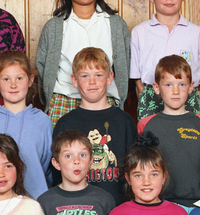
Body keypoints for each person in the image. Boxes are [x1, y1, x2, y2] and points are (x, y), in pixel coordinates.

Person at [36, 0, 131, 125]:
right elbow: (44, 69)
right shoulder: (55, 27)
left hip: (106, 102)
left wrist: (119, 100)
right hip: (64, 102)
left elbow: (123, 67)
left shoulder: (115, 25)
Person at [51, 46, 137, 205]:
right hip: (77, 206)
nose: (92, 82)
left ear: (110, 78)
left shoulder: (124, 121)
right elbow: (57, 172)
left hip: (118, 206)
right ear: (74, 80)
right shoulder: (65, 123)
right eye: (85, 76)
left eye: (98, 75)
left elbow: (135, 168)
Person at [130, 0, 200, 119]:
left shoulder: (198, 34)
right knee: (151, 142)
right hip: (151, 97)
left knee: (188, 139)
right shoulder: (139, 32)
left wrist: (184, 89)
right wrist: (146, 97)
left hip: (186, 98)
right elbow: (136, 76)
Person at [136, 55, 200, 208]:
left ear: (191, 87)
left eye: (182, 84)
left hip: (196, 204)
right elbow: (140, 167)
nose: (176, 91)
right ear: (157, 87)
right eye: (168, 85)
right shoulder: (146, 124)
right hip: (158, 203)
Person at [0, 50, 53, 198]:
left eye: (19, 78)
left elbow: (47, 166)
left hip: (35, 200)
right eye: (6, 79)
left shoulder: (43, 121)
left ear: (30, 80)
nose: (13, 85)